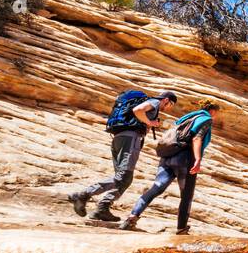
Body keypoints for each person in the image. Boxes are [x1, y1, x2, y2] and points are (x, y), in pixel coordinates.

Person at [68, 90, 178, 222]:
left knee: (124, 178)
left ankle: (102, 208)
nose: (169, 108)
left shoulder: (148, 104)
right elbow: (138, 110)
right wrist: (149, 122)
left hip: (119, 138)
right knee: (124, 176)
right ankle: (83, 195)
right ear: (166, 100)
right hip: (130, 139)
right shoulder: (154, 102)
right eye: (170, 104)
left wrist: (147, 123)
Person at [120, 101, 217, 234]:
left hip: (168, 156)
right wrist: (198, 159)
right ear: (212, 111)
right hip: (185, 158)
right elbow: (197, 138)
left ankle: (131, 218)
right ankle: (181, 228)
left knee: (157, 187)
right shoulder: (206, 119)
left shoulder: (186, 118)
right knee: (186, 195)